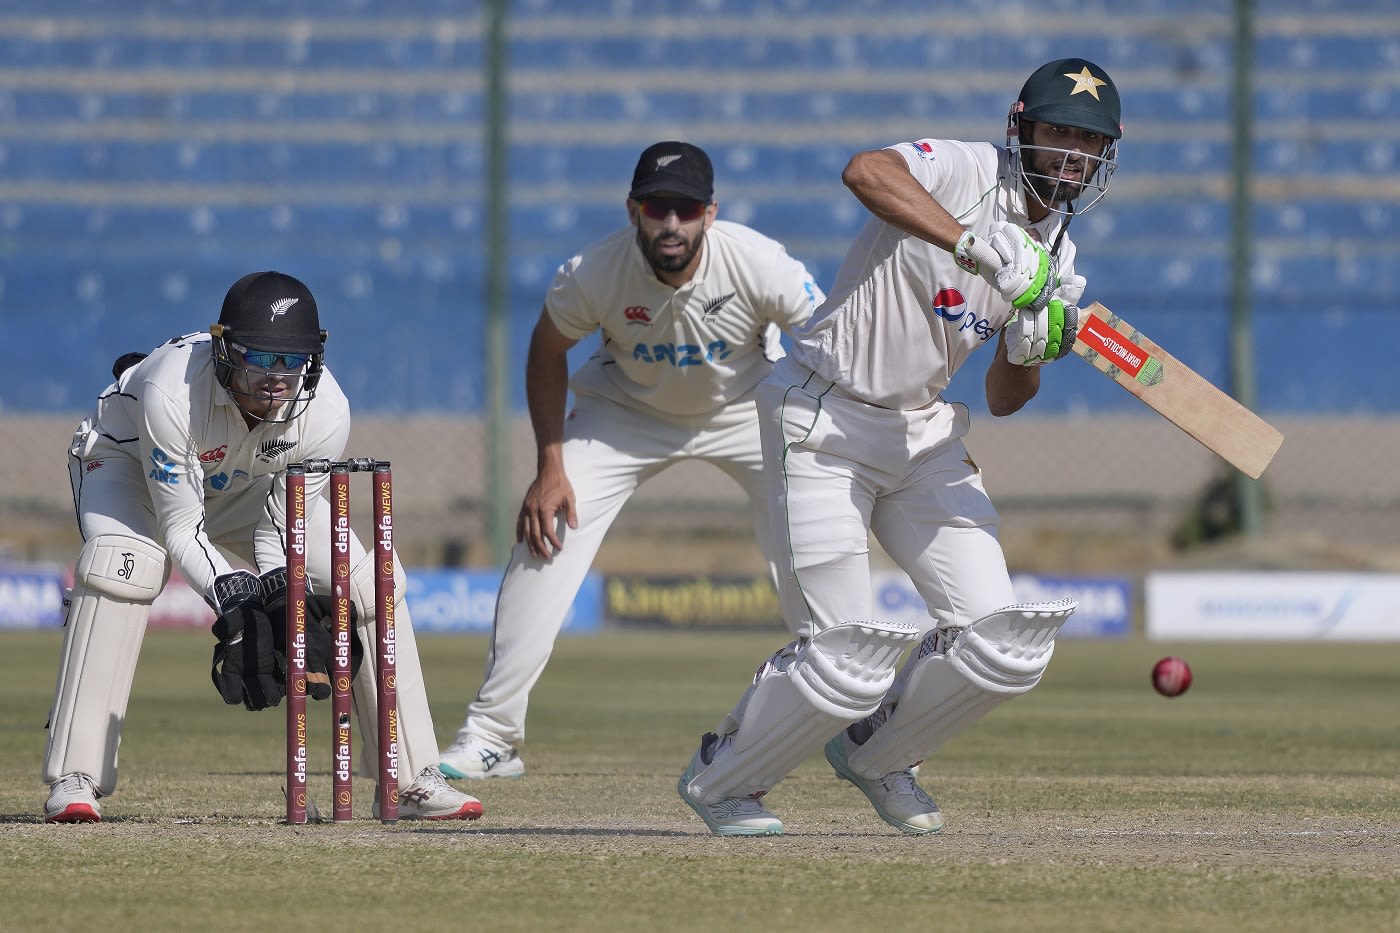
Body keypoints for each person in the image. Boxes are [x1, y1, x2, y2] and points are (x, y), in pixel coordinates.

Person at [677, 58, 1123, 836]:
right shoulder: (963, 168)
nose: (1072, 157)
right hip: (823, 416)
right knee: (843, 661)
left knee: (1006, 645)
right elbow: (865, 170)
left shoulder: (1059, 251)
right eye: (1059, 134)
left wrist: (1030, 345)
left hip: (924, 432)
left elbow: (1002, 399)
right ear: (1021, 129)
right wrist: (978, 249)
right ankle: (724, 776)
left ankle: (878, 754)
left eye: (1088, 143)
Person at [437, 141, 824, 779]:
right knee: (547, 533)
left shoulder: (760, 263)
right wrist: (550, 466)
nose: (671, 223)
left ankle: (849, 702)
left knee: (815, 536)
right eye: (657, 207)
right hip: (626, 413)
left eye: (687, 209)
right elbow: (545, 349)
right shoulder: (592, 272)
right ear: (633, 210)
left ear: (711, 212)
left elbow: (826, 339)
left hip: (749, 406)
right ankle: (492, 734)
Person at [42, 270, 482, 823]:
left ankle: (407, 778)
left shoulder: (325, 412)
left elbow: (281, 528)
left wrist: (281, 597)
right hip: (129, 470)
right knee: (122, 566)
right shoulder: (169, 392)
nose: (277, 379)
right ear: (226, 350)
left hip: (246, 489)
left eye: (291, 362)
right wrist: (240, 599)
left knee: (371, 577)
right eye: (260, 359)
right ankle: (76, 776)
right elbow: (181, 525)